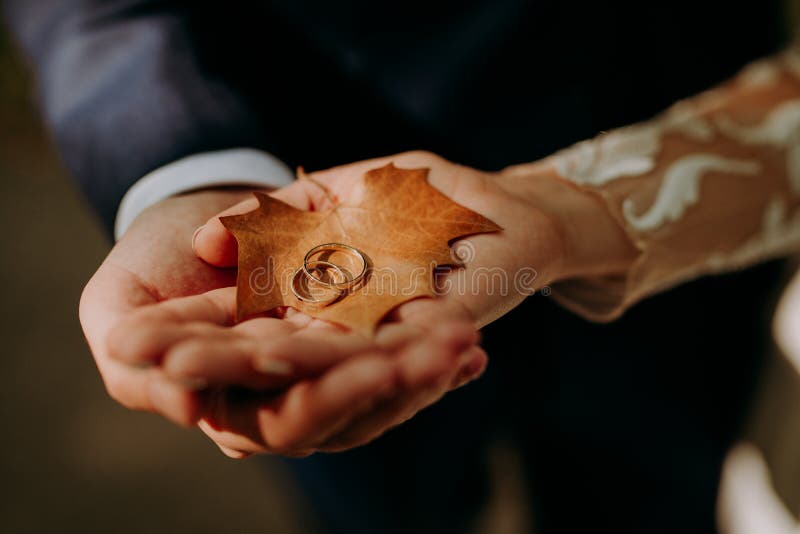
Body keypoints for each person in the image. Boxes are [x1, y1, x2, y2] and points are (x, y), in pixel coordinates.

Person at [6, 1, 800, 532]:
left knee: (655, 492)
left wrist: (578, 208)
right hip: (310, 141)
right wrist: (190, 172)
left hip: (679, 173)